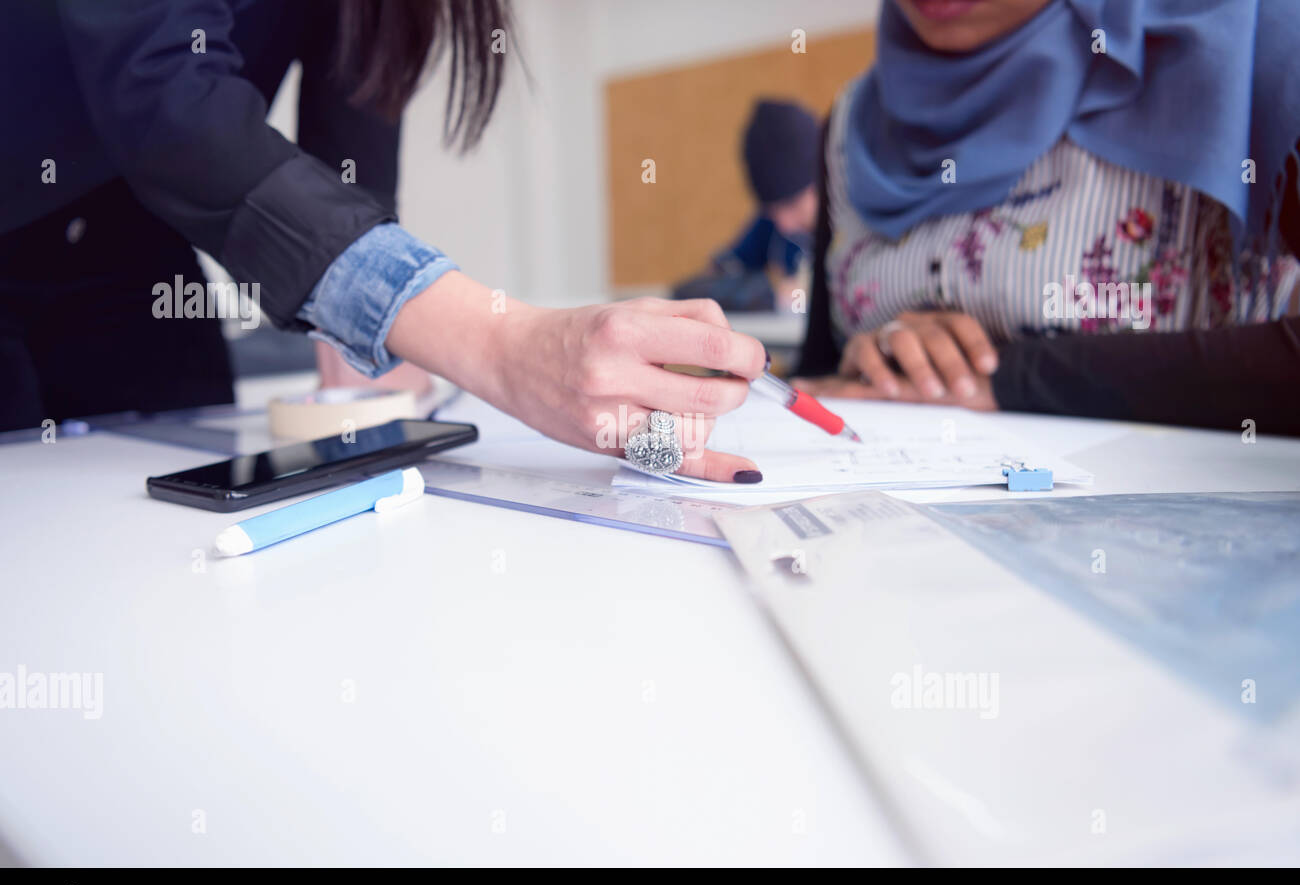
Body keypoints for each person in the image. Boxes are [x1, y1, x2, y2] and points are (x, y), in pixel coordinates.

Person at [0, 0, 767, 483]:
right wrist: (506, 346)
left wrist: (371, 366)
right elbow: (163, 93)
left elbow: (351, 191)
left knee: (165, 530)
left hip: (131, 250)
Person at [794, 0, 1300, 436]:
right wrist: (888, 363)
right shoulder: (852, 123)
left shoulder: (1246, 48)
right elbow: (817, 377)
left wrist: (1011, 377)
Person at [673, 99, 819, 313]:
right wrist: (768, 293)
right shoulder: (770, 225)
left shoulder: (852, 224)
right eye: (771, 209)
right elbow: (711, 278)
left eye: (793, 204)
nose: (784, 225)